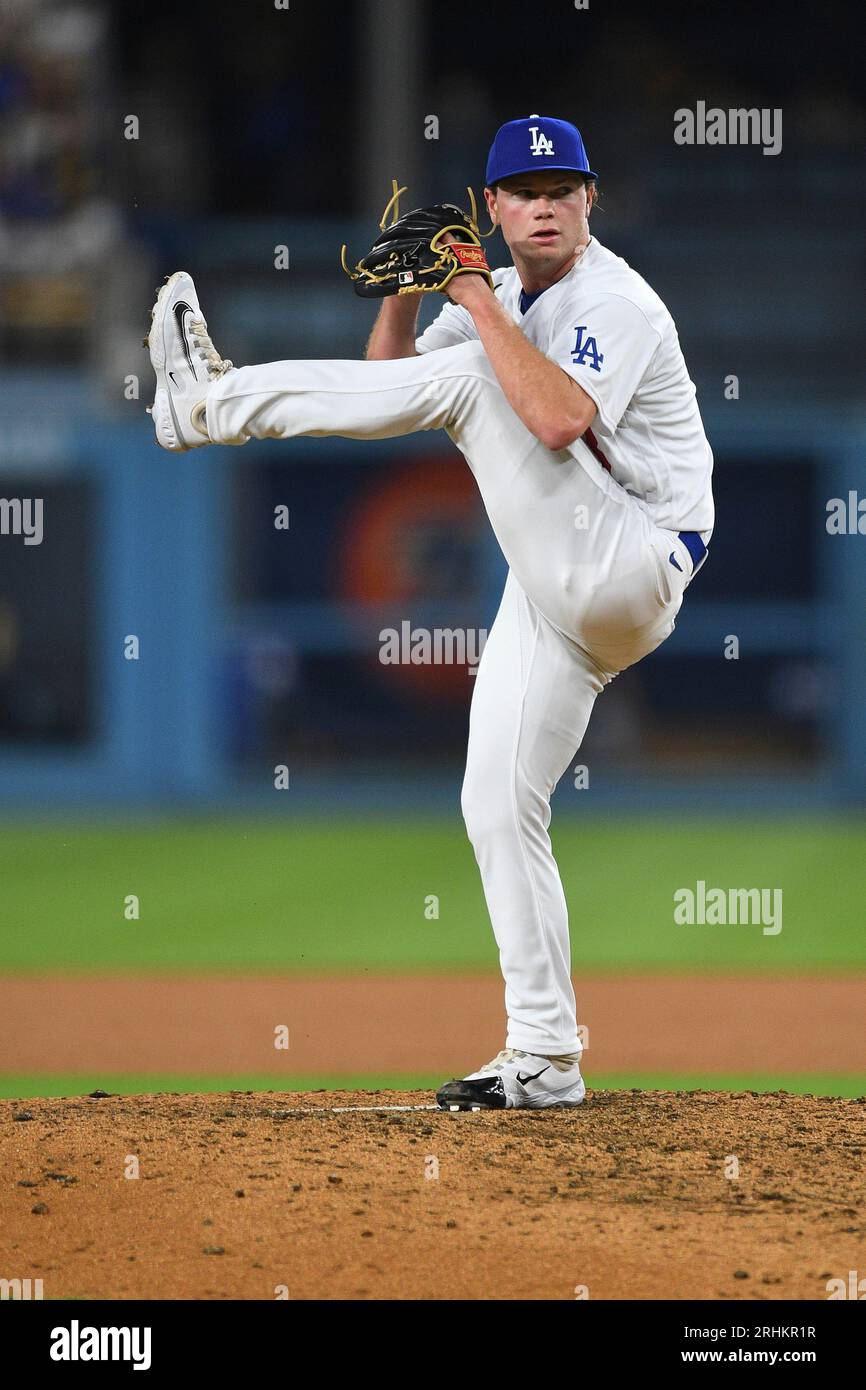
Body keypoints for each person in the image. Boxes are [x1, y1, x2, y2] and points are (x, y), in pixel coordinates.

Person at [146, 114, 714, 1112]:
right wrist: (414, 297)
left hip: (629, 559)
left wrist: (463, 295)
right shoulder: (489, 295)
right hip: (556, 589)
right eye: (523, 191)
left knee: (469, 378)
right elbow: (384, 391)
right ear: (490, 211)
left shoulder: (613, 300)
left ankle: (206, 403)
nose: (544, 204)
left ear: (590, 203)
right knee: (493, 802)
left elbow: (551, 416)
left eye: (562, 188)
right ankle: (543, 1055)